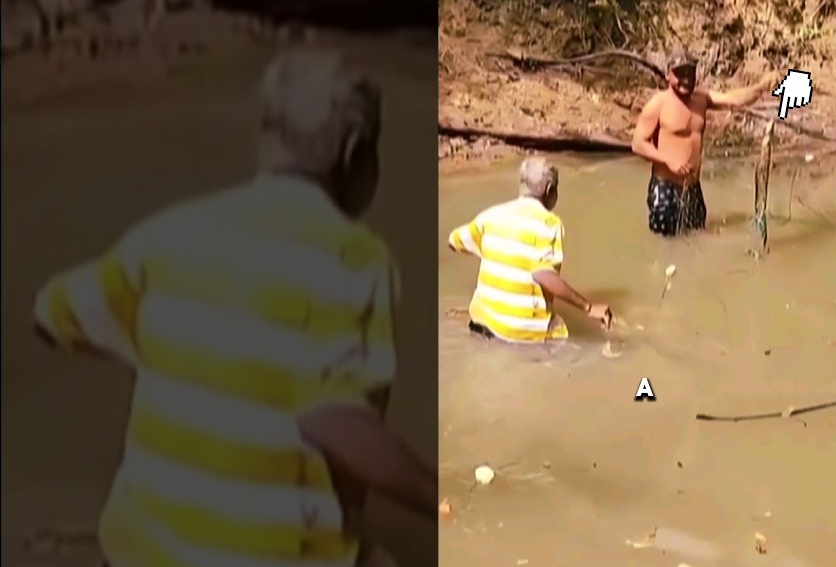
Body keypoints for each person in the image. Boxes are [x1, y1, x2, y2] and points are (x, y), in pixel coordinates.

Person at [31, 51, 436, 567]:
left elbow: (52, 314)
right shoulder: (353, 258)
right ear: (356, 156)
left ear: (266, 142)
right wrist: (435, 494)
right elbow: (334, 420)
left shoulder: (170, 235)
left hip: (136, 551)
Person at [447, 156, 612, 343]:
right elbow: (543, 274)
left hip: (481, 321)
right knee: (565, 340)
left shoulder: (491, 216)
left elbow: (453, 242)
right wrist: (588, 308)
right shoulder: (549, 224)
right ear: (550, 191)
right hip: (521, 332)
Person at [630, 50, 776, 236]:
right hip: (665, 186)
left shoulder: (701, 98)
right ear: (668, 75)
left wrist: (761, 87)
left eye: (690, 73)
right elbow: (638, 144)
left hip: (692, 187)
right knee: (665, 243)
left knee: (697, 236)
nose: (686, 79)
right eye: (680, 74)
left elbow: (733, 99)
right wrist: (669, 161)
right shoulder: (658, 104)